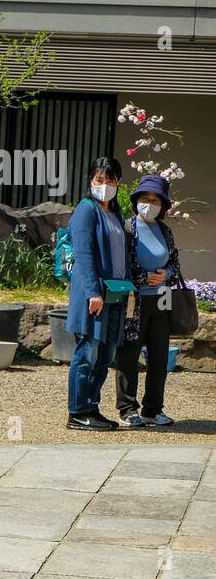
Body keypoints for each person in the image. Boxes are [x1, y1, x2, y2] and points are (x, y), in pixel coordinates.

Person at [116, 173, 184, 427]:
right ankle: (127, 408)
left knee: (159, 356)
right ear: (136, 201)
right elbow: (119, 266)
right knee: (128, 354)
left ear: (163, 206)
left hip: (162, 299)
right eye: (145, 198)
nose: (150, 204)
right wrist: (145, 277)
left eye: (156, 200)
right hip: (134, 301)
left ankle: (153, 409)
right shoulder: (127, 228)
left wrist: (166, 274)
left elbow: (175, 264)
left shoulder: (165, 231)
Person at [66, 157, 129, 431]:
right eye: (98, 180)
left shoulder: (116, 213)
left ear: (118, 182)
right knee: (88, 352)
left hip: (114, 294)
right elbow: (83, 254)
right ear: (90, 182)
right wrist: (93, 292)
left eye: (110, 180)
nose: (104, 185)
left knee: (106, 354)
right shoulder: (86, 210)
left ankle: (92, 407)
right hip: (94, 294)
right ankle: (78, 412)